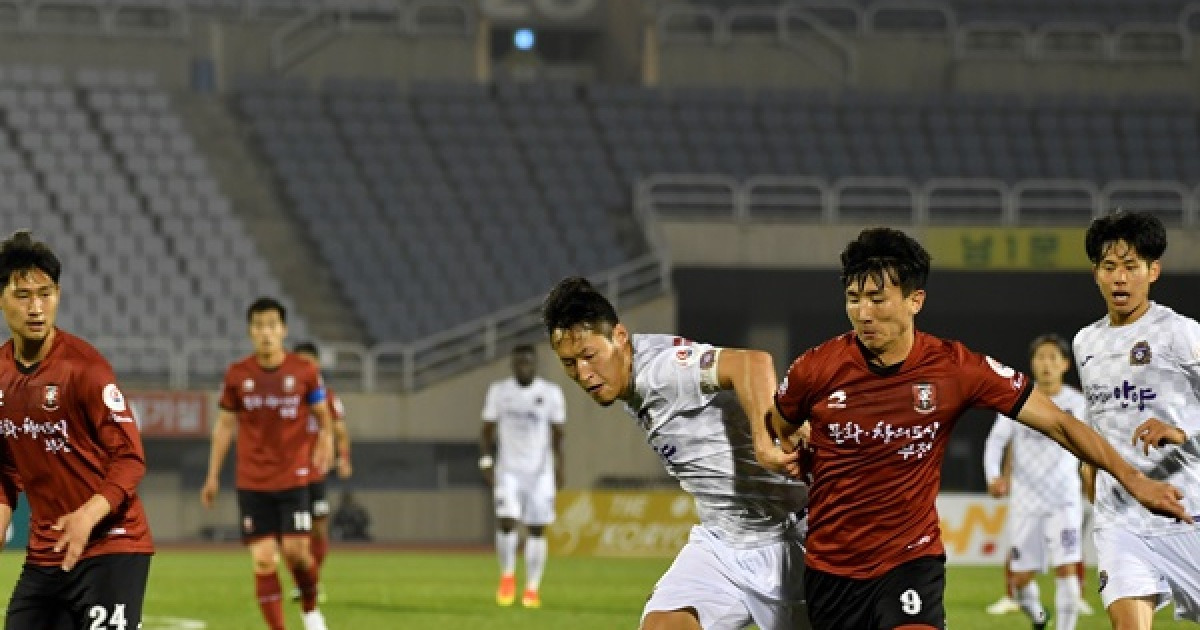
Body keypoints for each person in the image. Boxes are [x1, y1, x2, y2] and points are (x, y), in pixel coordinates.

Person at [759, 227, 1190, 630]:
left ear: (916, 300)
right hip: (831, 568)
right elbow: (779, 424)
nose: (863, 313)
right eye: (853, 298)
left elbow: (1059, 423)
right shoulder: (816, 368)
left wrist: (1134, 480)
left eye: (877, 298)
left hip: (910, 560)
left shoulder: (955, 368)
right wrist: (792, 444)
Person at [543, 277, 809, 630]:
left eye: (589, 356)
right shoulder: (631, 377)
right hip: (724, 544)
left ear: (619, 337)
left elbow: (752, 364)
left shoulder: (660, 371)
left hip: (799, 536)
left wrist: (764, 440)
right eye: (569, 364)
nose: (584, 374)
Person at [0, 230, 155, 628]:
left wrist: (87, 516)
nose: (37, 307)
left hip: (111, 543)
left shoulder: (85, 368)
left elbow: (130, 458)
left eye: (46, 293)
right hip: (46, 554)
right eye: (23, 295)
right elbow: (4, 468)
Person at [1073, 210, 1200, 629]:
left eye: (1131, 267)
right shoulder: (1085, 343)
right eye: (1109, 267)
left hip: (1187, 513)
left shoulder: (1181, 334)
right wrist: (1089, 461)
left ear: (1154, 270)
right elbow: (1100, 413)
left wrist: (1183, 432)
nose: (1120, 278)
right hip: (1119, 519)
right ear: (1096, 274)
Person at [202, 297, 335, 630]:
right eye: (259, 326)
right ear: (250, 332)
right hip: (252, 481)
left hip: (293, 478)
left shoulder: (305, 372)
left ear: (284, 330)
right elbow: (224, 426)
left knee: (297, 554)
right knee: (263, 560)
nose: (266, 333)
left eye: (272, 326)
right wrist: (213, 475)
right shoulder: (237, 375)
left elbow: (323, 414)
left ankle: (310, 609)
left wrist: (327, 439)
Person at [983, 334, 1092, 629]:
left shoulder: (1078, 404)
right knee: (1020, 581)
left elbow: (1093, 446)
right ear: (1032, 363)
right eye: (1041, 357)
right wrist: (993, 475)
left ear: (1065, 364)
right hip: (1025, 503)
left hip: (1065, 501)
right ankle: (1039, 619)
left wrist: (1095, 478)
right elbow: (995, 442)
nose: (1046, 364)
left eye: (1052, 358)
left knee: (1067, 570)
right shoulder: (1019, 399)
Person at [480, 344, 565, 609]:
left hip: (540, 472)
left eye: (528, 362)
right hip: (508, 470)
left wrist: (560, 467)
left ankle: (532, 588)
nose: (523, 367)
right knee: (506, 521)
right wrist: (485, 461)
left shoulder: (550, 393)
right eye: (519, 362)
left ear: (535, 364)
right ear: (512, 364)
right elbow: (487, 430)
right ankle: (507, 575)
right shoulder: (499, 392)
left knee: (536, 529)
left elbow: (558, 434)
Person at [293, 342, 352, 592]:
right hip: (291, 474)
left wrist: (344, 458)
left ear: (317, 365)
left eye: (310, 362)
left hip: (317, 471)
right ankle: (305, 583)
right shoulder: (286, 396)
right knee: (297, 533)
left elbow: (340, 431)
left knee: (318, 529)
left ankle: (313, 578)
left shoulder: (327, 396)